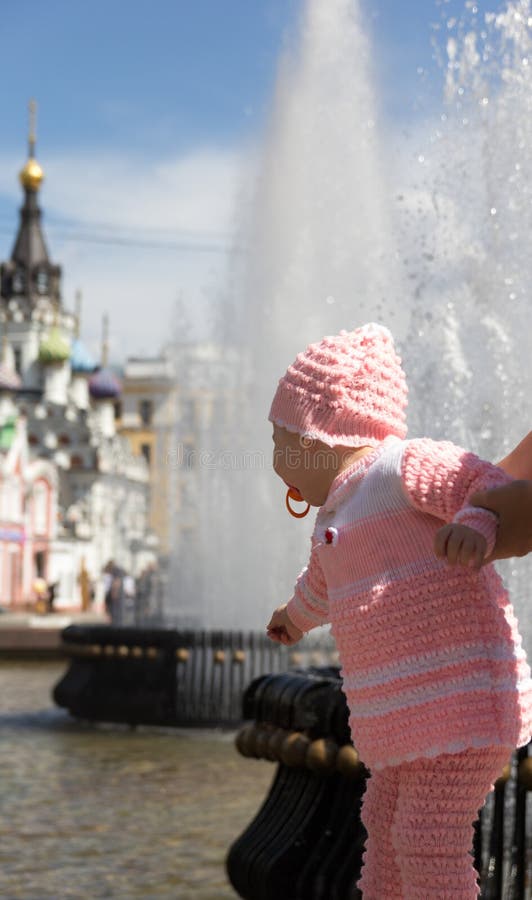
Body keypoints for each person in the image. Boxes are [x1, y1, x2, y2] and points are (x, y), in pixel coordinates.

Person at [265, 323, 532, 900]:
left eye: (278, 440)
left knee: (427, 836)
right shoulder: (335, 519)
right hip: (405, 718)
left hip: (462, 702)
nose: (274, 457)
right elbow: (322, 587)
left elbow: (480, 482)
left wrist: (477, 523)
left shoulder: (401, 468)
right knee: (383, 830)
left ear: (319, 433)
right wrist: (294, 616)